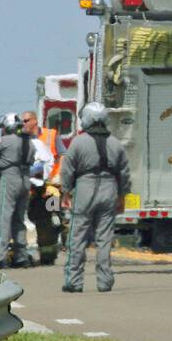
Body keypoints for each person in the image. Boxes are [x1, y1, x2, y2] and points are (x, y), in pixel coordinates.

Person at [60, 102, 130, 294]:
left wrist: (65, 192)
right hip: (109, 189)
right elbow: (124, 173)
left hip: (85, 188)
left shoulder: (78, 142)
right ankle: (105, 282)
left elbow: (67, 169)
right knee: (105, 239)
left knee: (77, 237)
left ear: (88, 119)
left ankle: (74, 281)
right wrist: (122, 196)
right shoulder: (116, 143)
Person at [0, 113, 36, 269]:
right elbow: (32, 160)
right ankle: (21, 257)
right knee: (19, 219)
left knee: (3, 218)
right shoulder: (29, 142)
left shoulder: (5, 140)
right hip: (25, 180)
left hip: (9, 179)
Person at [21, 111, 61, 265]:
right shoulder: (23, 141)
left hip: (51, 186)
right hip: (33, 188)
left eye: (26, 120)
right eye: (22, 121)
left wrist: (57, 177)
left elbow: (62, 155)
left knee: (55, 219)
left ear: (35, 121)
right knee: (39, 219)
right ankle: (45, 253)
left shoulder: (49, 135)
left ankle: (54, 252)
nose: (23, 124)